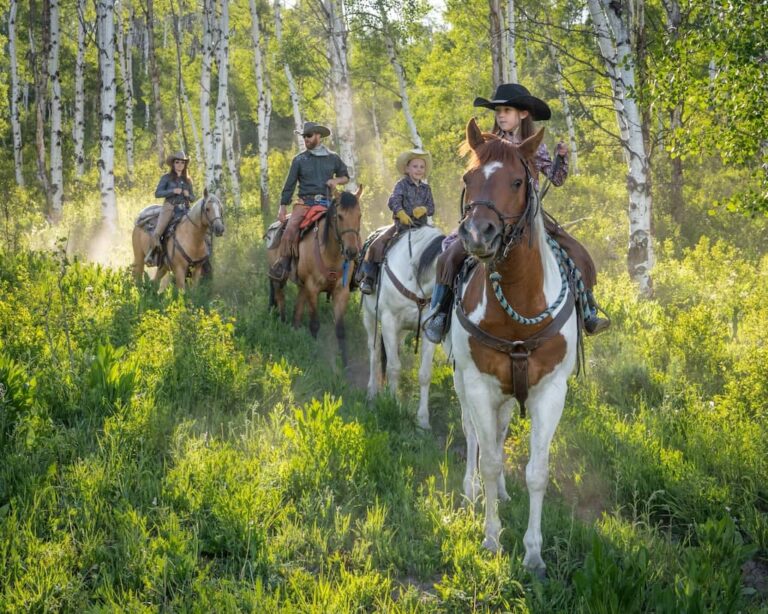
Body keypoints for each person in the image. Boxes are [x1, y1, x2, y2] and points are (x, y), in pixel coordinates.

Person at [423, 83, 609, 343]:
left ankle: (588, 312)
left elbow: (555, 179)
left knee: (579, 255)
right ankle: (439, 314)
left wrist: (561, 158)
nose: (501, 115)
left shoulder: (534, 147)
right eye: (498, 111)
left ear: (523, 114)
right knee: (448, 257)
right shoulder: (489, 146)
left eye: (507, 110)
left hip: (530, 217)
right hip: (491, 216)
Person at [268, 122, 350, 281]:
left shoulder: (333, 158)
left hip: (328, 202)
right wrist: (282, 207)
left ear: (319, 136)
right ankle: (284, 264)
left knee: (348, 225)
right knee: (290, 229)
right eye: (304, 136)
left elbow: (346, 176)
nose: (306, 139)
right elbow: (289, 185)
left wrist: (336, 181)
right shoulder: (299, 160)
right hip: (305, 203)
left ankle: (355, 269)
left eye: (309, 135)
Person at [358, 149, 435, 294]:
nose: (418, 170)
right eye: (415, 166)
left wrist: (424, 209)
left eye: (421, 167)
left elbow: (432, 208)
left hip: (422, 227)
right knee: (377, 244)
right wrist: (400, 212)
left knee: (440, 244)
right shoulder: (401, 185)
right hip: (402, 226)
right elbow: (393, 200)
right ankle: (369, 278)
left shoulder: (426, 189)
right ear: (407, 169)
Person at [146, 151, 195, 264]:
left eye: (182, 163)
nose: (179, 165)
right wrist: (172, 191)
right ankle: (152, 255)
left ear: (185, 165)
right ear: (173, 164)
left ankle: (202, 258)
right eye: (177, 162)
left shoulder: (188, 180)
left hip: (185, 209)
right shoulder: (166, 178)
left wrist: (189, 195)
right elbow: (157, 193)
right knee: (159, 231)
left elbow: (193, 198)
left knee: (199, 227)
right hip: (170, 208)